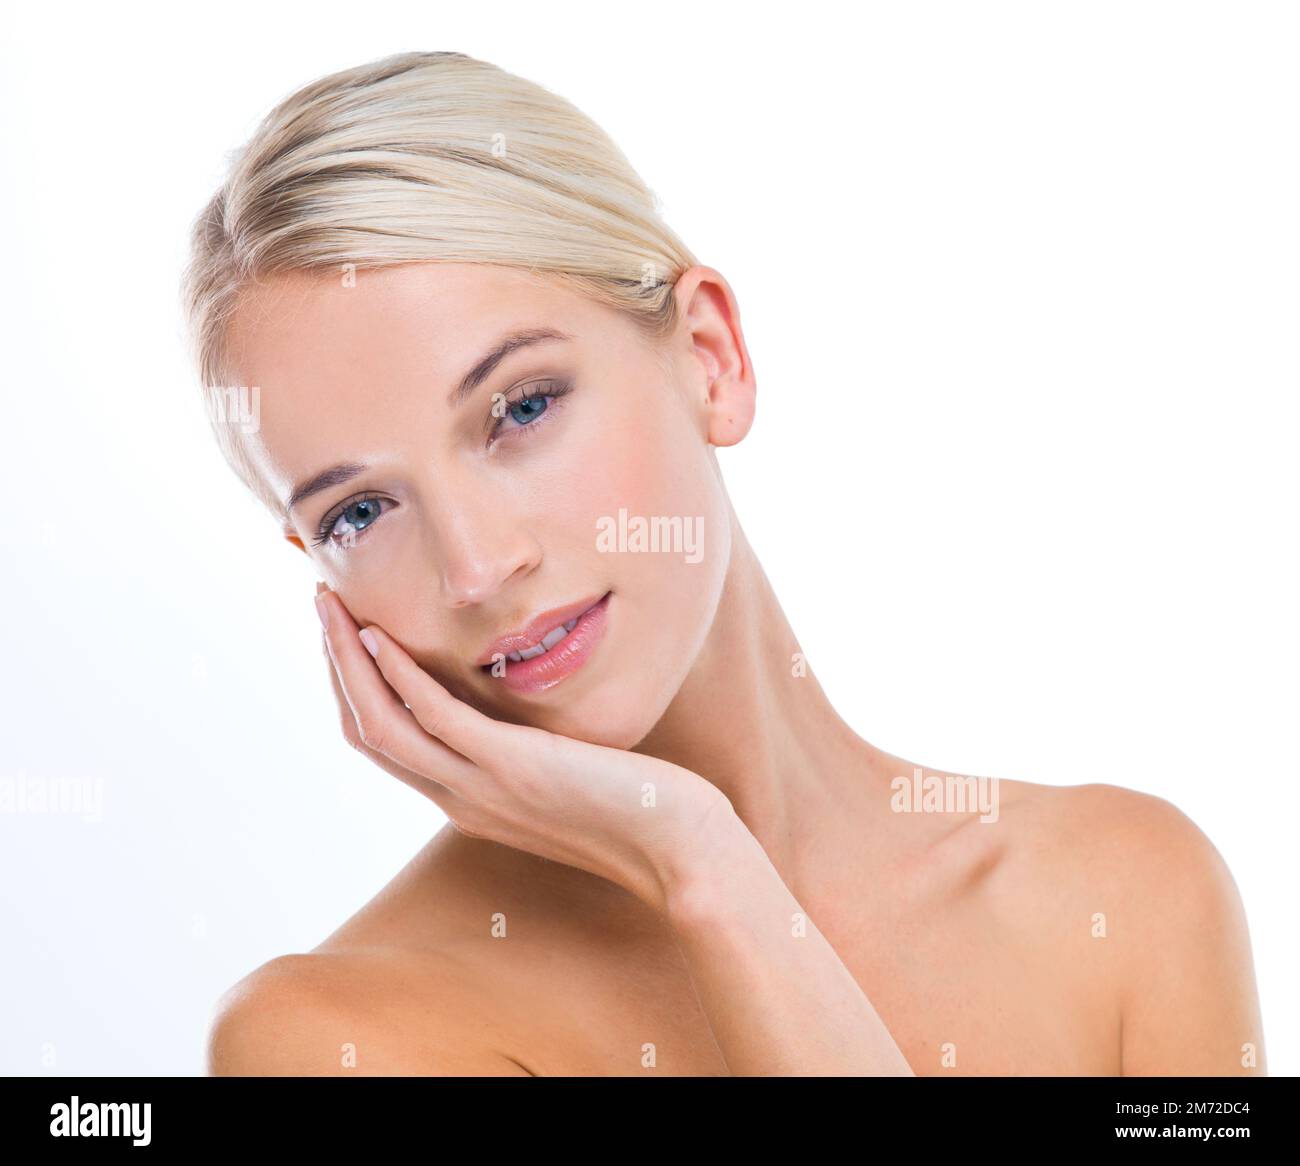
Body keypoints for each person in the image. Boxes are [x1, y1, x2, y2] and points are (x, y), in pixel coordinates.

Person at [182, 50, 1266, 1076]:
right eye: (361, 510)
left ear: (710, 356)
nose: (476, 567)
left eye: (520, 407)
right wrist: (702, 867)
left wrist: (720, 876)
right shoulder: (339, 1038)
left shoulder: (1131, 894)